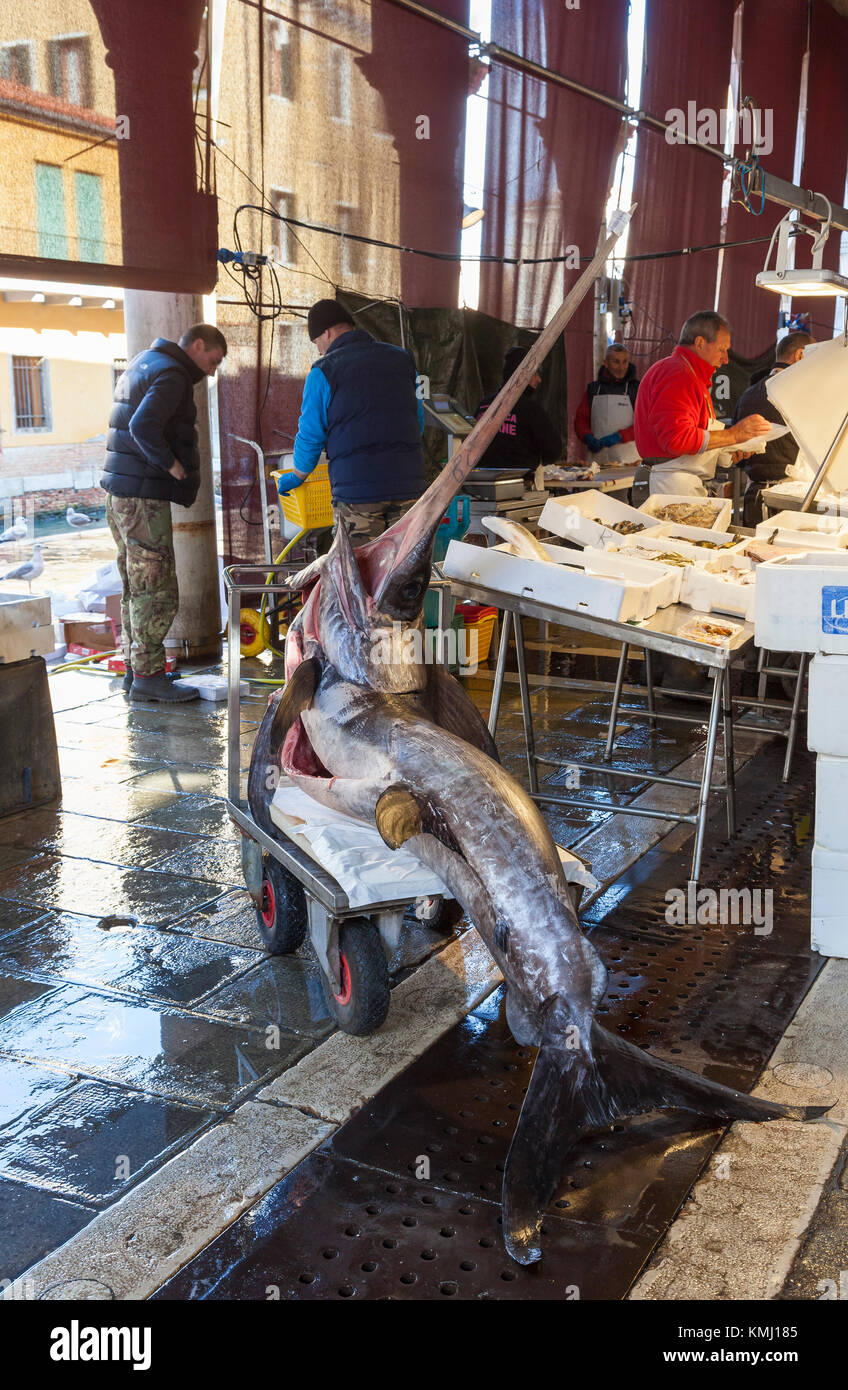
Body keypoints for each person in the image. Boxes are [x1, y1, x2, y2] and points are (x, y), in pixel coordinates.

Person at [101, 323, 227, 702]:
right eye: (213, 359)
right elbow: (143, 426)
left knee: (135, 587)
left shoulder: (144, 361)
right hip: (141, 496)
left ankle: (136, 669)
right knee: (156, 589)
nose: (213, 370)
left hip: (121, 494)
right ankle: (149, 678)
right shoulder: (171, 375)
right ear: (198, 345)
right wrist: (172, 465)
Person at [279, 299, 425, 544]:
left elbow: (310, 434)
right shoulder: (403, 360)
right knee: (405, 567)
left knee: (361, 573)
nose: (318, 350)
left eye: (317, 342)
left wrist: (298, 474)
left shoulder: (323, 371)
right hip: (409, 485)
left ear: (326, 332)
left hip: (358, 493)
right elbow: (417, 419)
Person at [634, 310, 770, 497]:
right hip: (668, 484)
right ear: (699, 343)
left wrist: (728, 450)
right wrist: (734, 435)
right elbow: (676, 439)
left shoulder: (691, 376)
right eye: (721, 349)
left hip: (680, 482)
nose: (725, 359)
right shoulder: (678, 374)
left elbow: (695, 436)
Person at [732, 330, 814, 526]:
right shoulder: (806, 393)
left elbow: (737, 455)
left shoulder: (748, 395)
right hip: (793, 503)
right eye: (814, 355)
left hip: (754, 501)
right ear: (800, 355)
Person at [474, 345, 562, 473]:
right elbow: (553, 450)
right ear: (523, 375)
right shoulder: (530, 409)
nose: (539, 379)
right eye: (535, 373)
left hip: (480, 483)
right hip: (519, 485)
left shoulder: (484, 405)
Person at [574, 343, 641, 465]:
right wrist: (587, 436)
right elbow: (581, 420)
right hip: (596, 460)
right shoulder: (593, 389)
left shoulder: (637, 389)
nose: (621, 367)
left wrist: (620, 436)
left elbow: (644, 424)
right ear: (605, 363)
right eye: (616, 362)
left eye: (624, 362)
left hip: (629, 461)